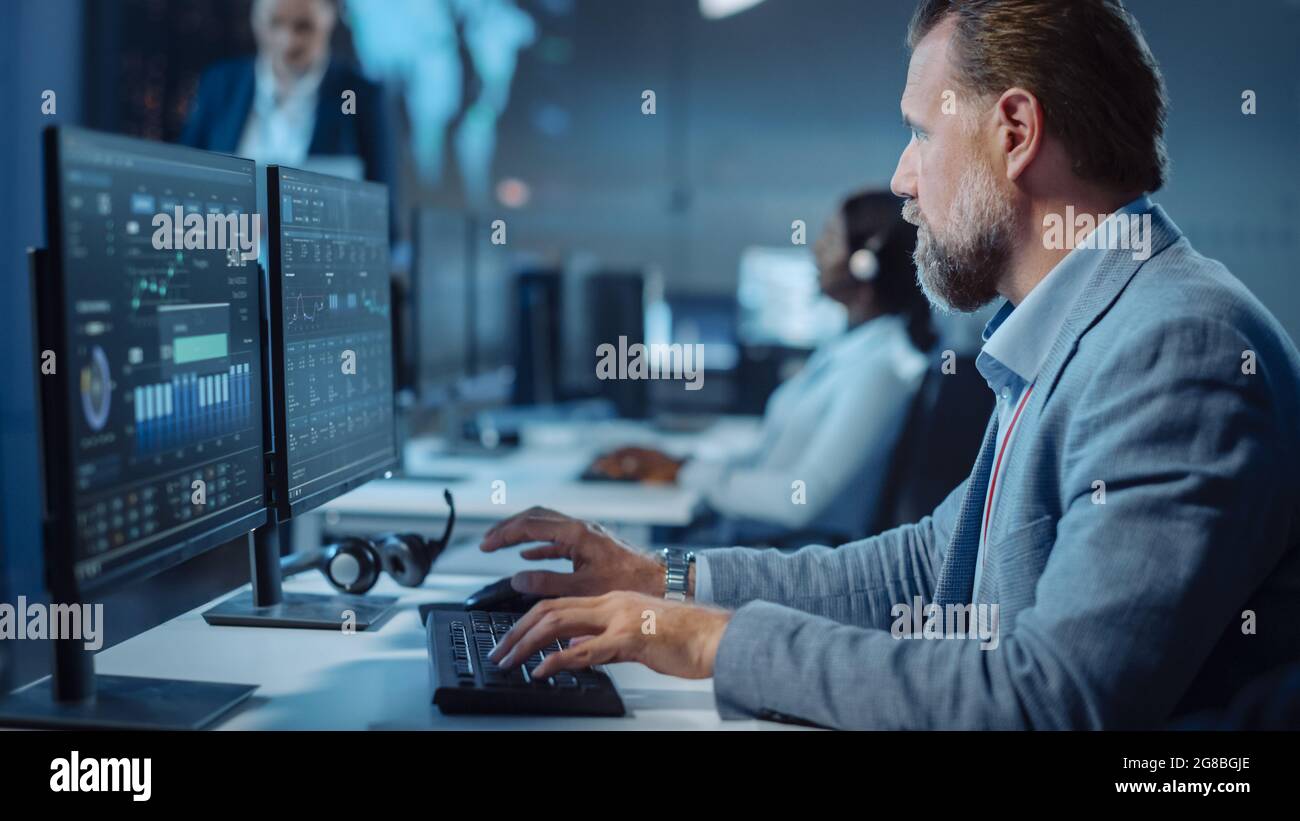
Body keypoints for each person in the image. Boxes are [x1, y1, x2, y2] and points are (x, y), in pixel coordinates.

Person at [474, 0, 1300, 729]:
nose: (903, 179)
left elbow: (1052, 699)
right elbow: (922, 565)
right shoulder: (1071, 329)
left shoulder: (1174, 346)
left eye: (920, 132)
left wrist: (715, 641)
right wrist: (666, 577)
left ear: (1015, 132)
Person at [590, 191, 934, 544]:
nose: (816, 249)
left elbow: (799, 500)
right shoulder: (849, 350)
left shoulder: (881, 369)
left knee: (605, 558)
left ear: (864, 263)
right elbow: (765, 460)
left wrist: (687, 473)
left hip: (792, 555)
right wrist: (682, 464)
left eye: (830, 239)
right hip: (760, 541)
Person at [179, 0, 395, 197]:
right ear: (255, 16)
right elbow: (185, 182)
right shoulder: (219, 84)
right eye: (274, 23)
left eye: (304, 26)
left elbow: (385, 213)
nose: (287, 41)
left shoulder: (359, 96)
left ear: (330, 17)